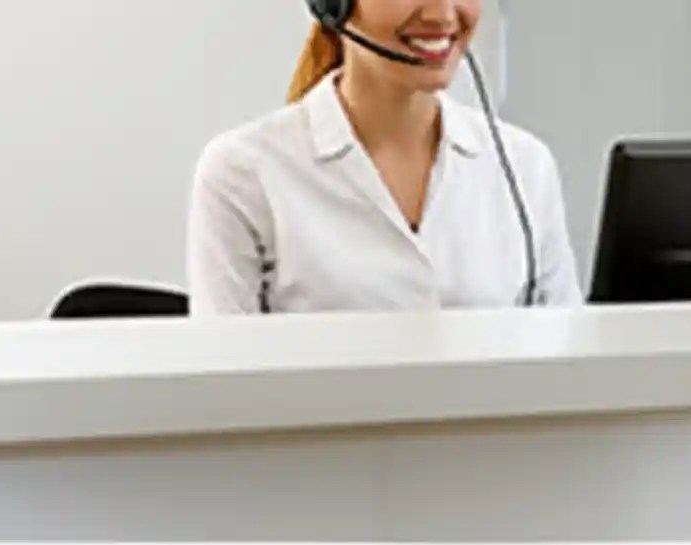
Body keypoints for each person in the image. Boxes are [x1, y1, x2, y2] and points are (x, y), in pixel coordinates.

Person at [185, 0, 584, 315]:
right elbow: (223, 396)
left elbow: (570, 364)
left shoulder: (524, 165)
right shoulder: (244, 173)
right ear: (334, 4)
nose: (442, 14)